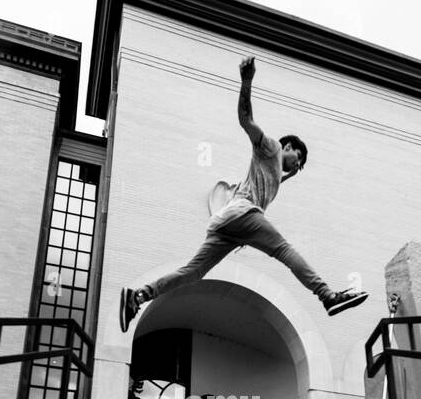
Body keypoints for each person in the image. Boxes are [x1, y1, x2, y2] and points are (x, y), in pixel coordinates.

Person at [119, 55, 368, 332]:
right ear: (287, 146)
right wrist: (246, 81)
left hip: (226, 228)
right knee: (285, 250)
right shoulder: (271, 147)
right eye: (298, 157)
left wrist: (287, 177)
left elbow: (269, 181)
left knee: (194, 272)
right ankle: (328, 296)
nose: (298, 164)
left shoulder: (271, 175)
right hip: (242, 215)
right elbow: (246, 119)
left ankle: (139, 295)